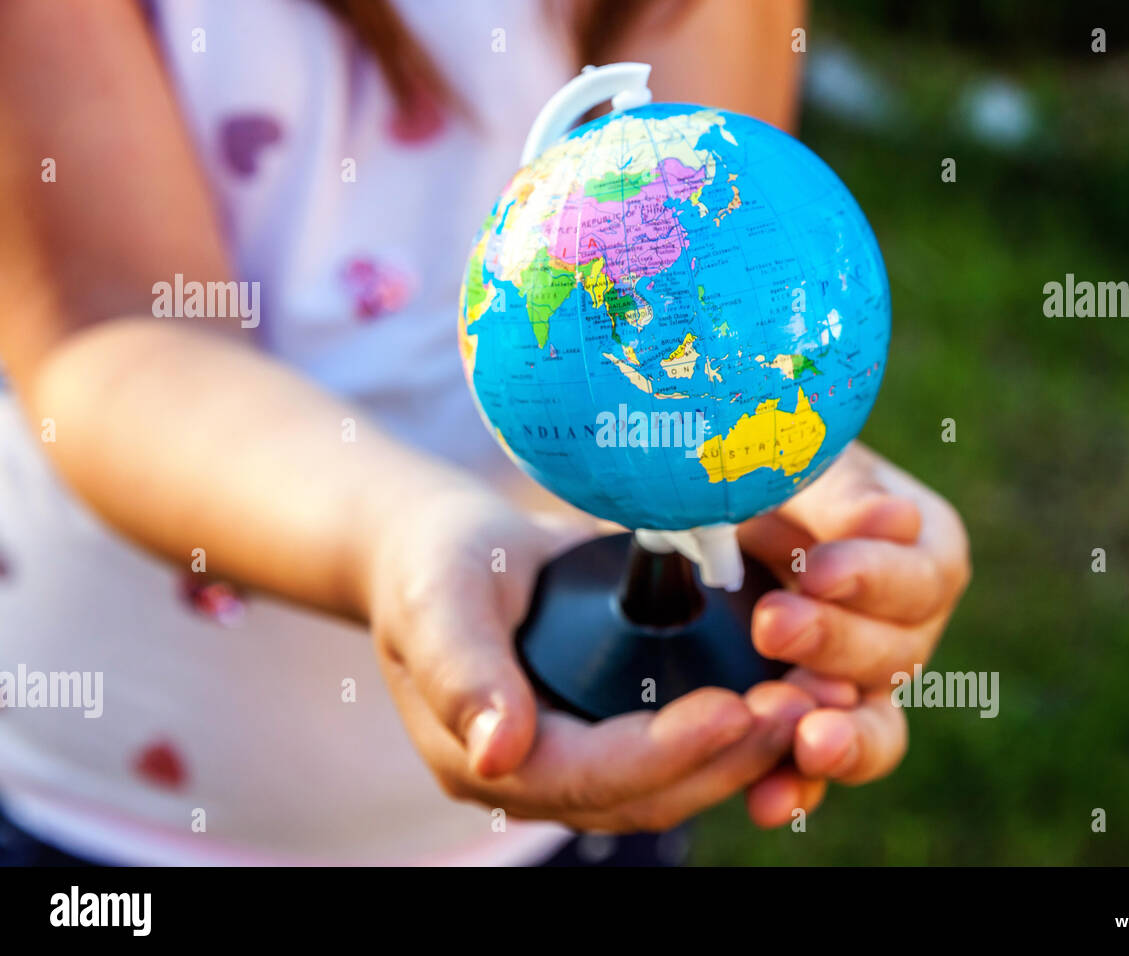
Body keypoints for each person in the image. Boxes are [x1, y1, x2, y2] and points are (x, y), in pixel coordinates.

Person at [0, 0, 969, 866]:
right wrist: (404, 533)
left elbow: (712, 281)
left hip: (574, 796)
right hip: (111, 813)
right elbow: (117, 333)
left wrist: (788, 497)